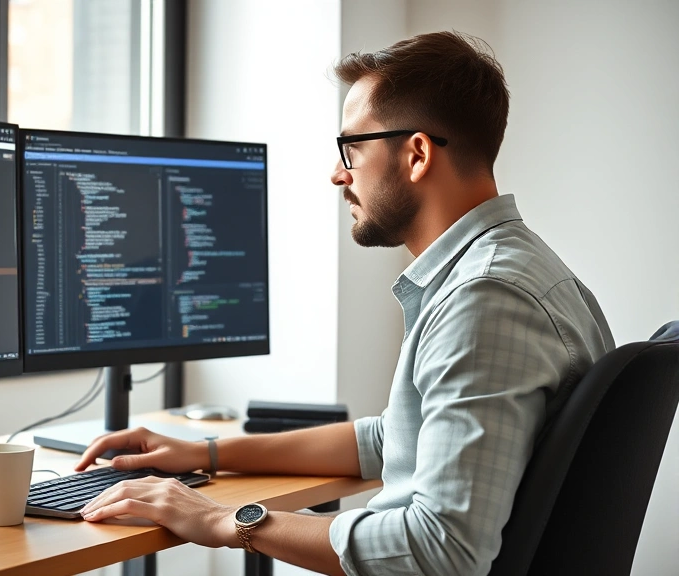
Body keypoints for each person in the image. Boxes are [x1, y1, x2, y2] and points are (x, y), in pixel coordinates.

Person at [73, 31, 614, 576]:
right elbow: (393, 437)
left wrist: (222, 521)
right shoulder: (509, 271)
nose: (338, 173)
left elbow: (440, 551)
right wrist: (205, 454)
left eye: (351, 148)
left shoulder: (485, 300)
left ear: (417, 154)